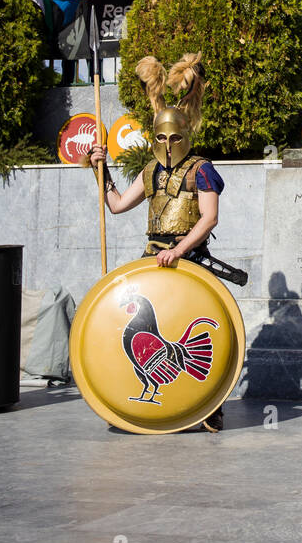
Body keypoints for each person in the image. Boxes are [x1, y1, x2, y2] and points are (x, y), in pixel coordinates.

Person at [89, 52, 227, 432]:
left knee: (199, 324)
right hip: (152, 259)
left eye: (175, 137)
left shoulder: (202, 169)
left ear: (186, 134)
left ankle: (209, 403)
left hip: (190, 260)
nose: (168, 144)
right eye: (161, 137)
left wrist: (180, 250)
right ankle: (153, 403)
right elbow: (116, 206)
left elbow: (209, 217)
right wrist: (100, 171)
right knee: (142, 333)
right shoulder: (150, 171)